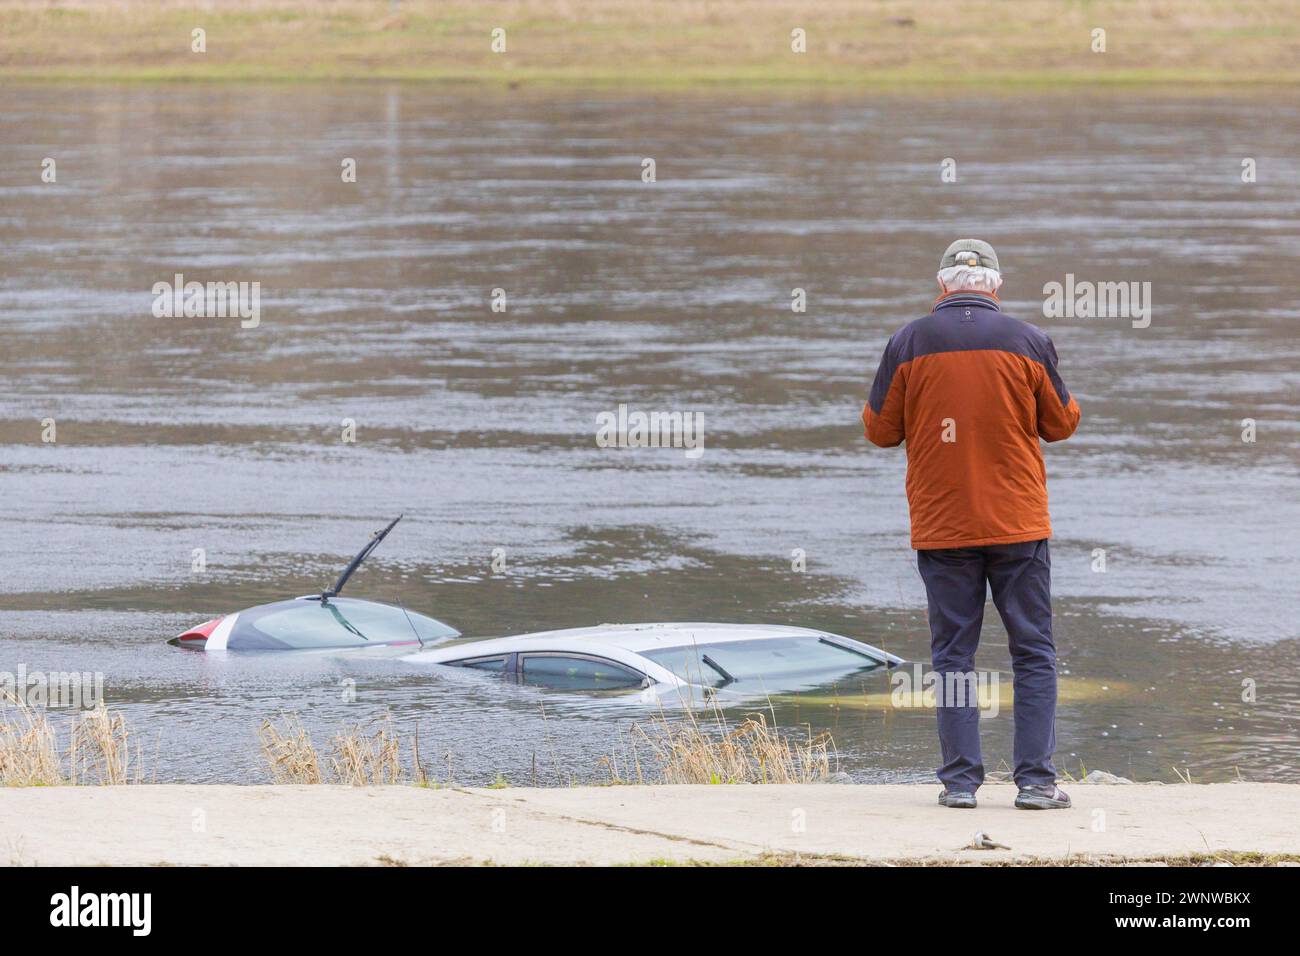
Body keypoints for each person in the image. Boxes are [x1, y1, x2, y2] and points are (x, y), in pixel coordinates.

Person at [862, 239, 1080, 810]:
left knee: (953, 656)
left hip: (944, 525)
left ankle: (960, 784)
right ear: (996, 285)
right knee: (1033, 651)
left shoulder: (907, 342)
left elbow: (880, 431)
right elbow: (1061, 424)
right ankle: (1036, 783)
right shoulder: (1028, 341)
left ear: (942, 285)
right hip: (1017, 523)